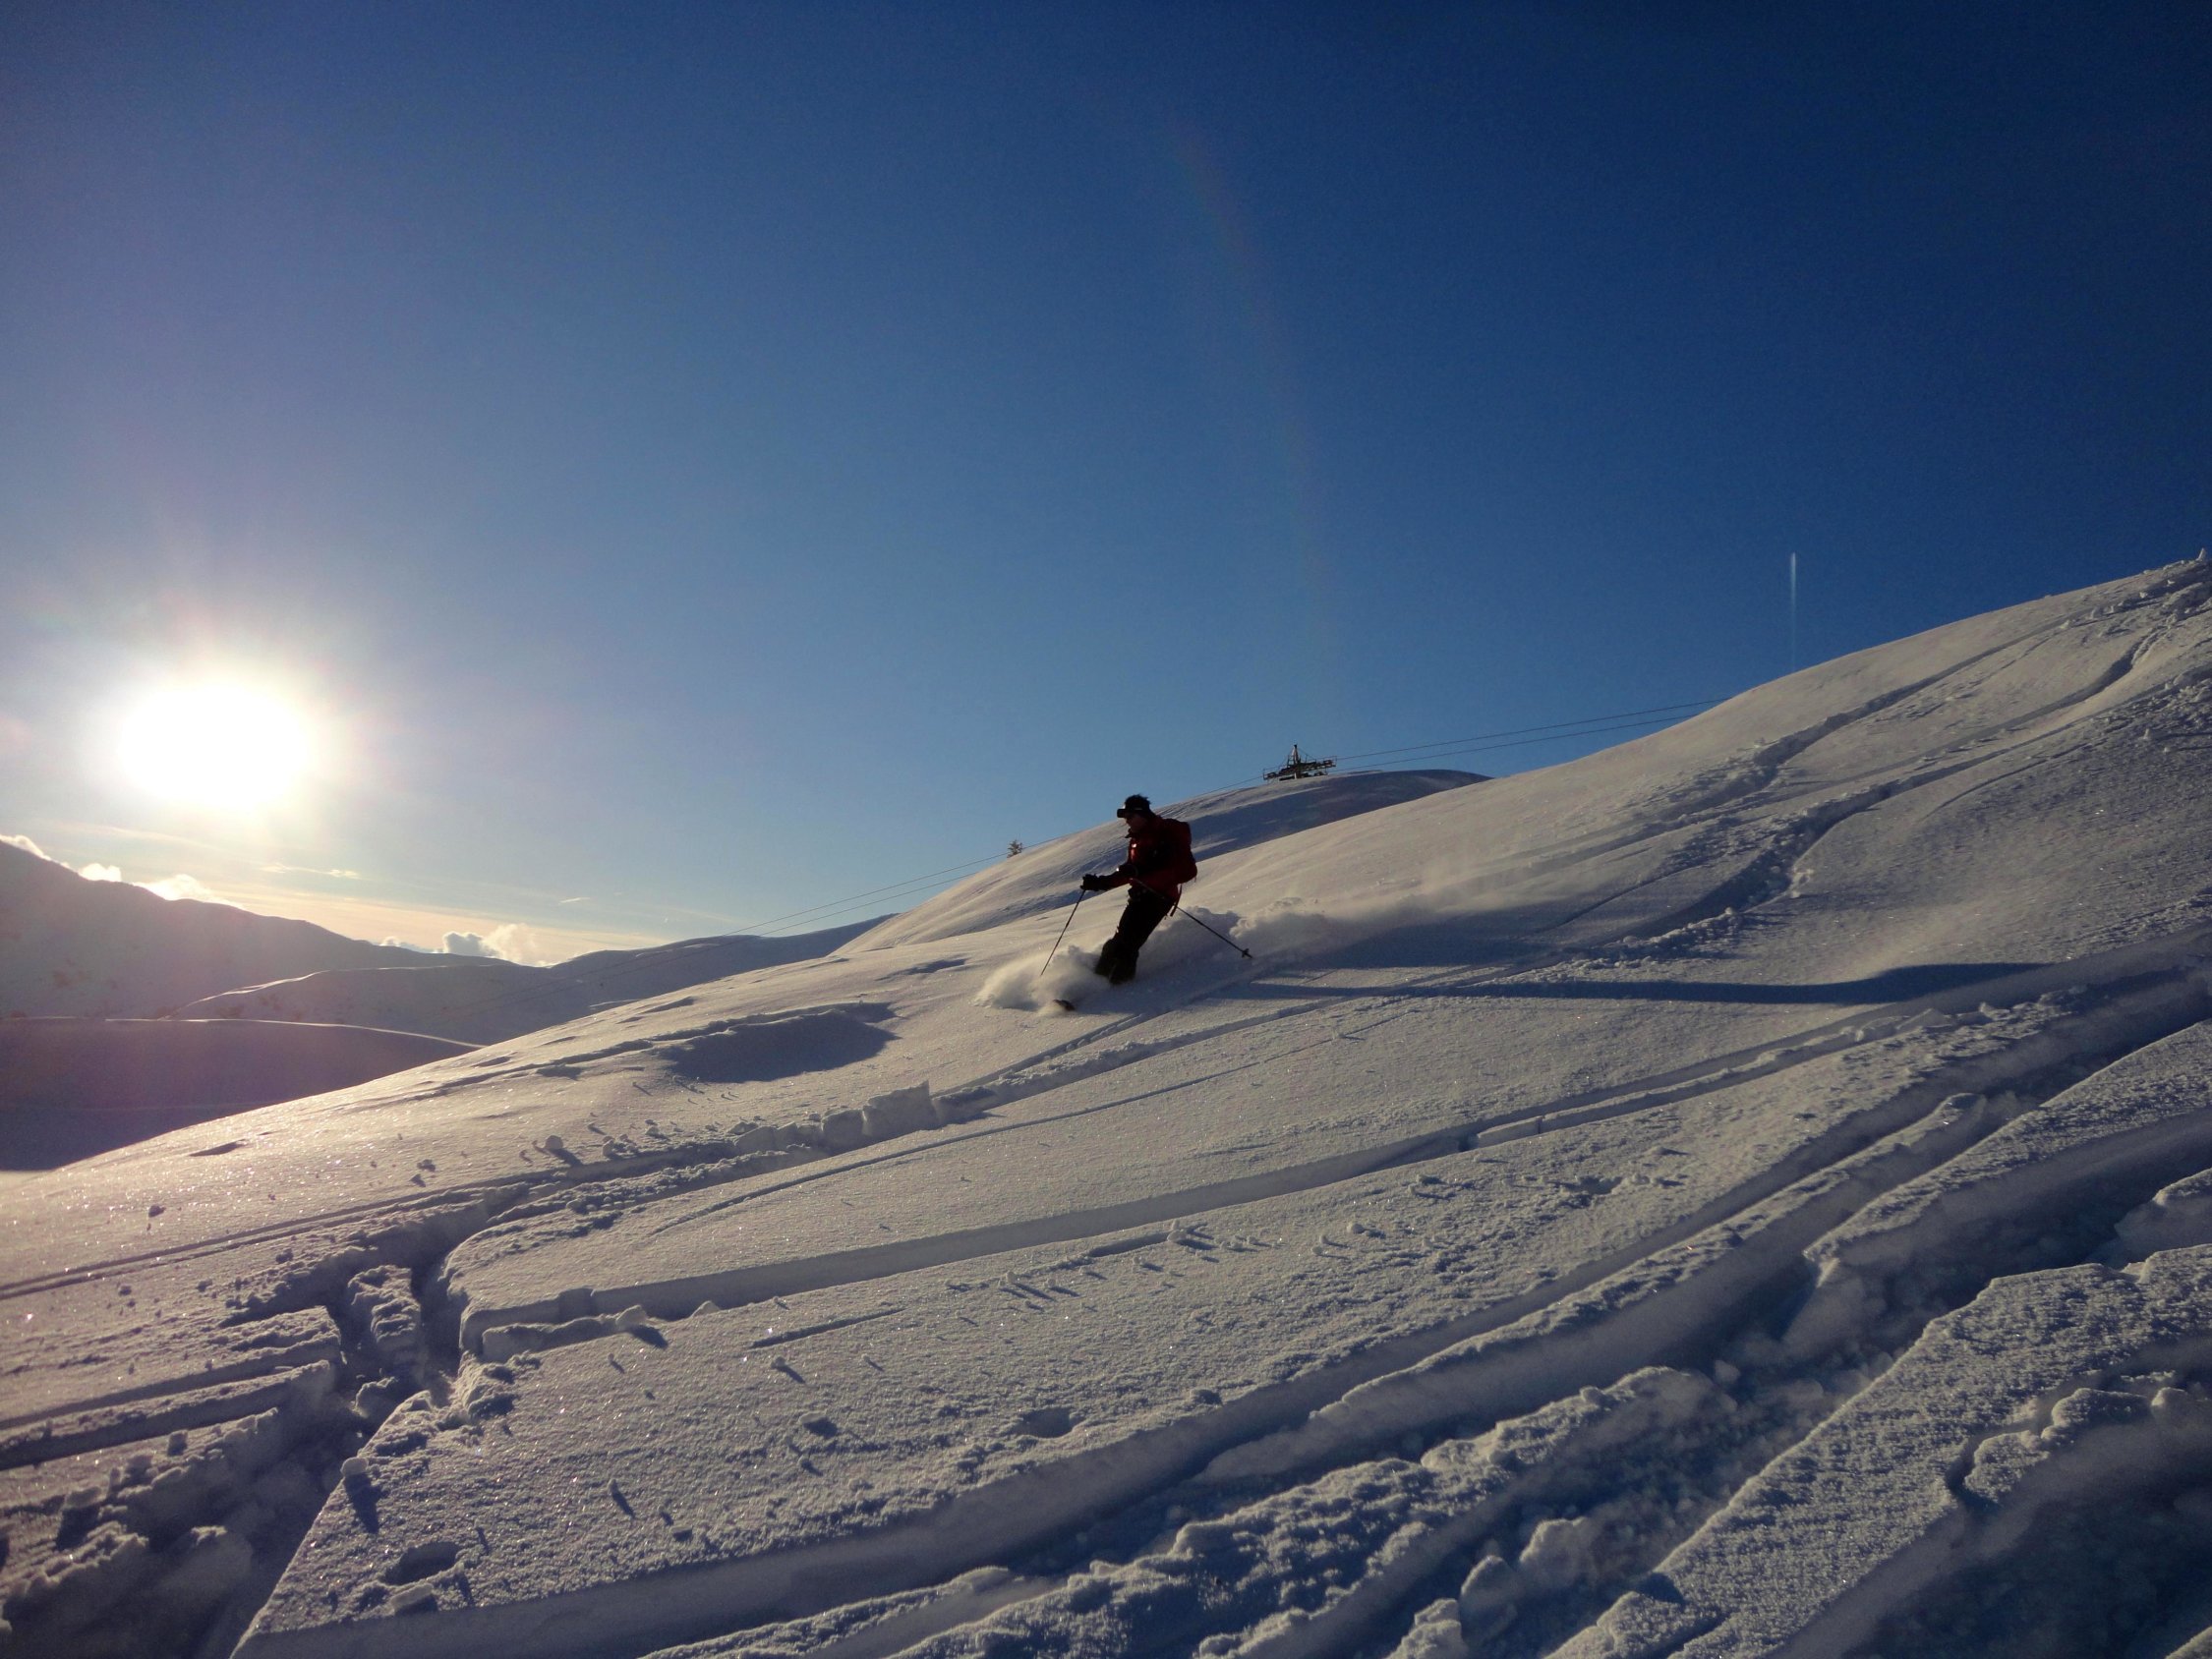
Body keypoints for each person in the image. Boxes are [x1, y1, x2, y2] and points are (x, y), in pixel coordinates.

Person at [1079, 794, 1197, 985]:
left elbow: (1185, 870)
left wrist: (1144, 873)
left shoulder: (1166, 832)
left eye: (1130, 817)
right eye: (1125, 818)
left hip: (1159, 897)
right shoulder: (1137, 840)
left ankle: (1118, 988)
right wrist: (1101, 883)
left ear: (1142, 815)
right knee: (1115, 944)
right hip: (1139, 897)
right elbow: (1130, 871)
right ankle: (1093, 987)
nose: (1127, 822)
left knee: (1127, 945)